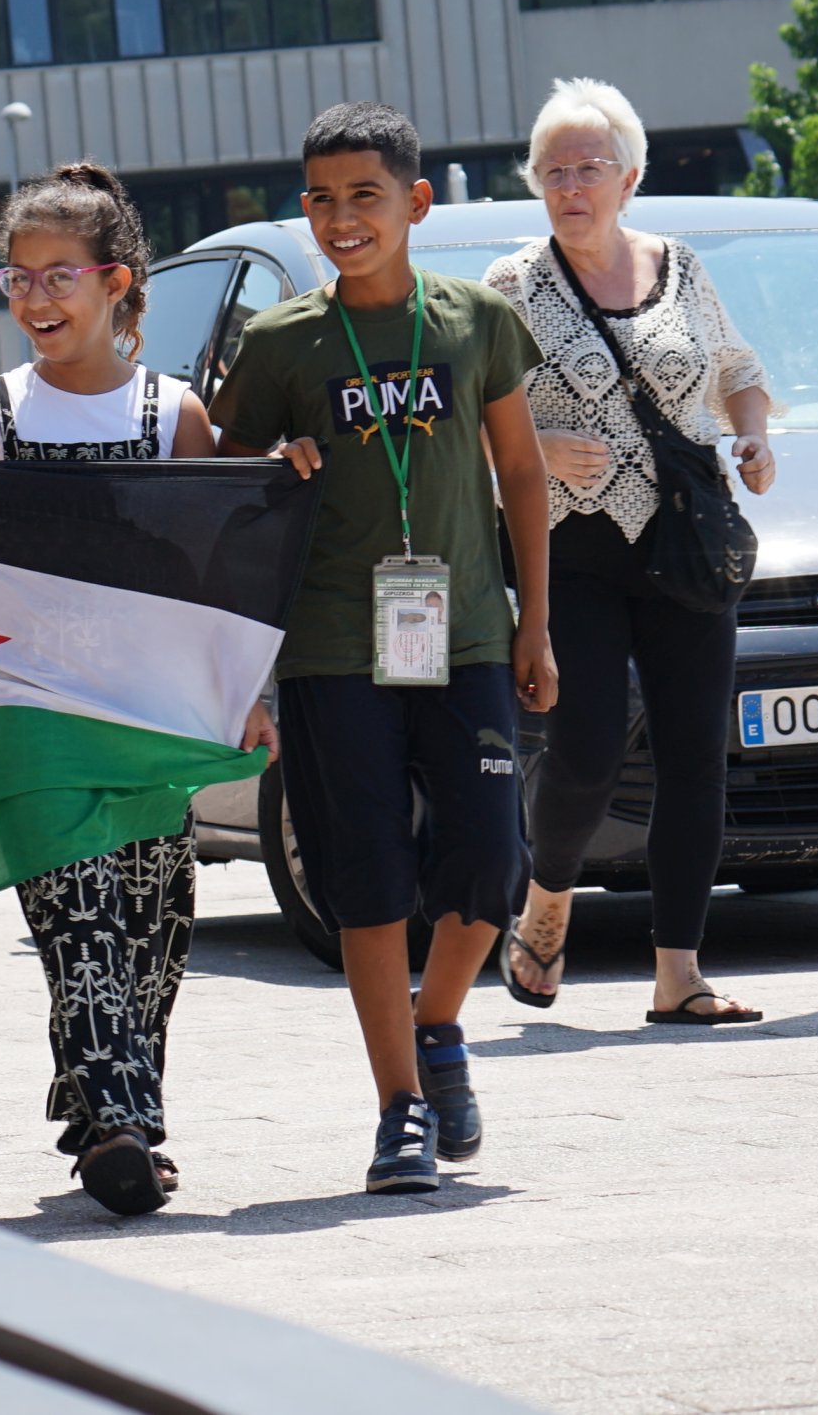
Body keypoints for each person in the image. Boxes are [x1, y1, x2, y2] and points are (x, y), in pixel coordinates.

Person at [209, 101, 556, 1195]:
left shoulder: (476, 320)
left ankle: (439, 1019)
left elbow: (523, 474)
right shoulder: (278, 343)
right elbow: (225, 490)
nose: (341, 218)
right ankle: (399, 1104)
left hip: (461, 636)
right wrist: (275, 454)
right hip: (329, 646)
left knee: (491, 859)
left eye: (365, 196)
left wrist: (533, 620)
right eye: (321, 198)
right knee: (364, 877)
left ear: (414, 202)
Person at [0, 161, 272, 1217]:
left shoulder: (174, 415)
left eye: (58, 275)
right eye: (16, 277)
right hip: (30, 717)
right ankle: (126, 1129)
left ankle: (97, 1103)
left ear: (115, 281)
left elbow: (212, 576)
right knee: (75, 919)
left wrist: (242, 694)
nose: (35, 298)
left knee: (151, 922)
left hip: (150, 718)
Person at [485, 78, 775, 1027]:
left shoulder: (681, 267)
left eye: (589, 167)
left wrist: (754, 435)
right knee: (589, 746)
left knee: (698, 752)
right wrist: (528, 443)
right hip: (570, 545)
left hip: (683, 542)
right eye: (553, 170)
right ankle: (549, 898)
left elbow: (735, 367)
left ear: (630, 176)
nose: (570, 185)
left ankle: (678, 973)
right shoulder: (510, 284)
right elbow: (466, 411)